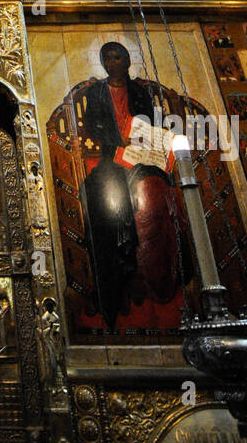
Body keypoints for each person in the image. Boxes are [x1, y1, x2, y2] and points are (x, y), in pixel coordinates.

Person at [77, 41, 192, 331]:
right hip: (113, 155)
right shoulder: (96, 92)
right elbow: (92, 124)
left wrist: (151, 137)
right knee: (100, 195)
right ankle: (115, 280)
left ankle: (164, 276)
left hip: (142, 155)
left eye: (118, 57)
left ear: (128, 61)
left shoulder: (140, 91)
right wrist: (118, 142)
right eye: (108, 58)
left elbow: (153, 122)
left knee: (156, 195)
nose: (113, 62)